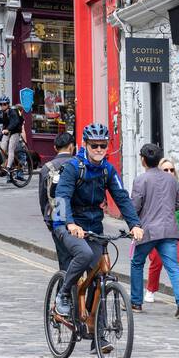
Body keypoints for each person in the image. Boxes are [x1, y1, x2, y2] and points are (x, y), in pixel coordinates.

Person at [52, 122, 142, 321]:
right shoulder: (73, 167)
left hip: (93, 226)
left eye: (103, 145)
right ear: (85, 144)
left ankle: (98, 336)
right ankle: (64, 294)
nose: (99, 149)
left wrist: (134, 224)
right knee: (83, 254)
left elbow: (121, 197)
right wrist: (69, 223)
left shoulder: (107, 170)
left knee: (99, 277)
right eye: (94, 145)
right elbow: (62, 196)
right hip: (66, 224)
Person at [131, 144, 179, 320]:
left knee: (137, 263)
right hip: (169, 229)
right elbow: (178, 205)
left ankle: (136, 302)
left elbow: (135, 206)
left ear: (143, 160)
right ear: (158, 160)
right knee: (173, 267)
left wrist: (133, 224)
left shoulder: (141, 180)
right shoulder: (172, 180)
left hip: (147, 230)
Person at [144, 157, 179, 303]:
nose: (169, 172)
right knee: (156, 262)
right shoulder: (153, 185)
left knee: (178, 263)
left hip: (175, 231)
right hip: (156, 231)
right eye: (166, 170)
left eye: (172, 170)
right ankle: (150, 290)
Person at [38, 130, 76, 245]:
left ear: (55, 148)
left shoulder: (47, 168)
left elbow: (43, 198)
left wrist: (47, 218)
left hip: (56, 215)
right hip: (76, 215)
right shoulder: (78, 165)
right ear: (71, 147)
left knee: (63, 255)